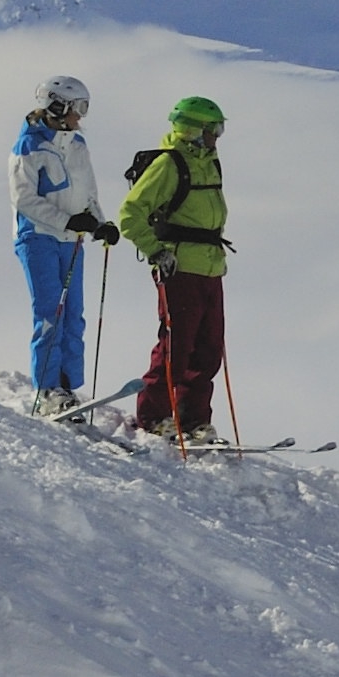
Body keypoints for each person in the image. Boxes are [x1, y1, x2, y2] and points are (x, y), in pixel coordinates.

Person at [118, 94, 232, 442]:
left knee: (209, 348)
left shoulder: (209, 162)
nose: (217, 136)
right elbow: (130, 214)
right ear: (193, 130)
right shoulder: (170, 164)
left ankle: (193, 419)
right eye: (213, 129)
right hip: (180, 266)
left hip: (211, 267)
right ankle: (153, 416)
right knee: (176, 345)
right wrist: (156, 251)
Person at [7, 76, 118, 412]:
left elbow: (88, 194)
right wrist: (66, 221)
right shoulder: (29, 146)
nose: (80, 117)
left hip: (72, 241)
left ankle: (67, 385)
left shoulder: (77, 144)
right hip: (38, 238)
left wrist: (99, 224)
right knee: (49, 313)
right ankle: (46, 390)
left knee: (73, 315)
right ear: (57, 106)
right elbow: (23, 198)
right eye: (77, 108)